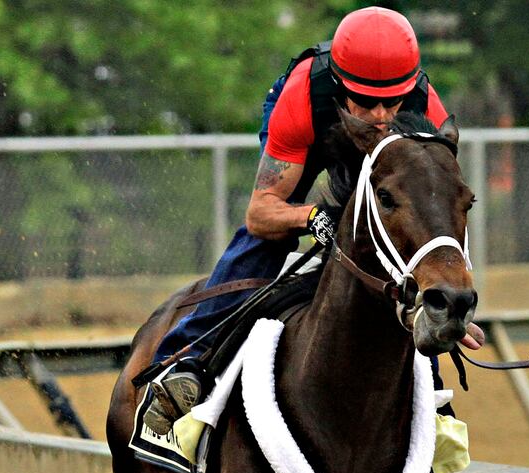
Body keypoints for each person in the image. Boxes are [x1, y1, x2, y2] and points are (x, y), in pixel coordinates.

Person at [144, 6, 479, 434]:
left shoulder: (424, 109)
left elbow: (434, 222)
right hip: (311, 133)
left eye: (391, 102)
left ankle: (429, 397)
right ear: (340, 88)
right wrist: (312, 217)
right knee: (267, 239)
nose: (380, 117)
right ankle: (186, 361)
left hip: (390, 162)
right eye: (366, 102)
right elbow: (262, 211)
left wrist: (447, 305)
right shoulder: (303, 98)